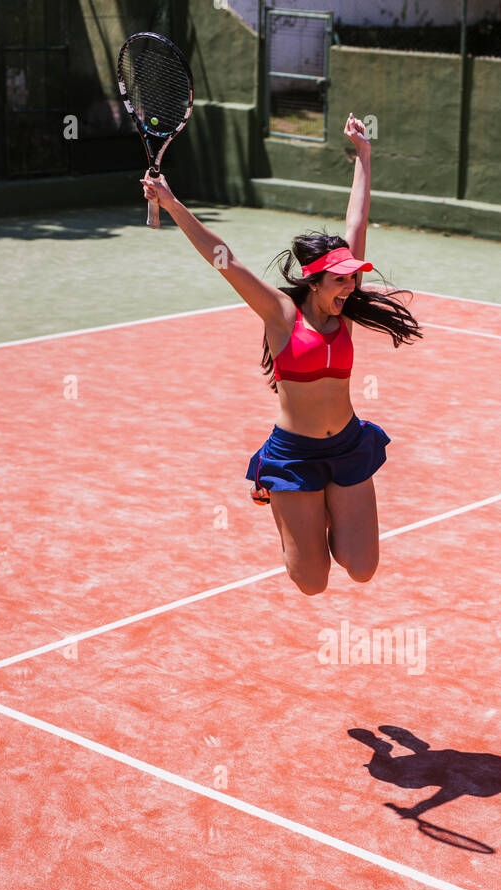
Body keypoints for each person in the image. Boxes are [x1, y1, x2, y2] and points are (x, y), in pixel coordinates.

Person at [142, 113, 422, 595]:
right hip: (294, 454)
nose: (351, 285)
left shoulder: (345, 309)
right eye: (340, 278)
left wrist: (364, 156)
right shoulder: (279, 315)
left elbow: (357, 222)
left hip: (349, 444)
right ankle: (282, 494)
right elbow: (221, 257)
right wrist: (171, 203)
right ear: (313, 280)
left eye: (353, 276)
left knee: (361, 567)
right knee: (311, 582)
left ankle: (329, 505)